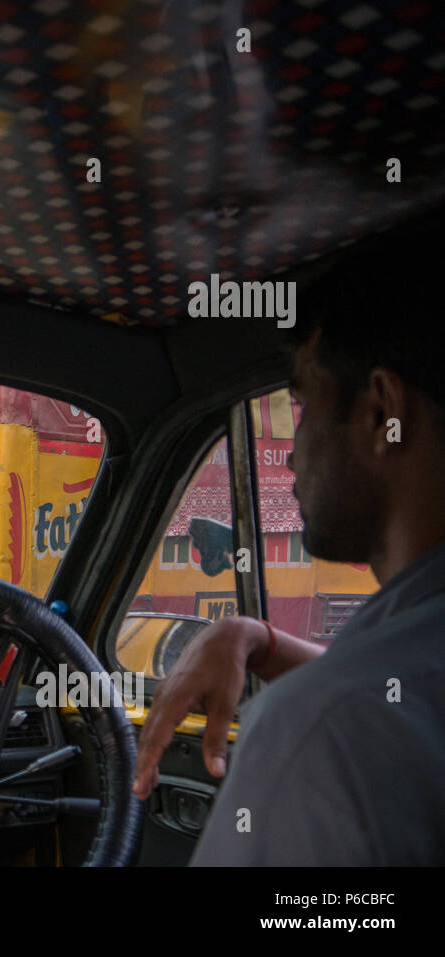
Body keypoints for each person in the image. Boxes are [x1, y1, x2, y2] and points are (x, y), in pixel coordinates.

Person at [133, 225, 445, 864]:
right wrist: (256, 638)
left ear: (382, 410)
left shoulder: (319, 734)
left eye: (304, 404)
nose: (292, 454)